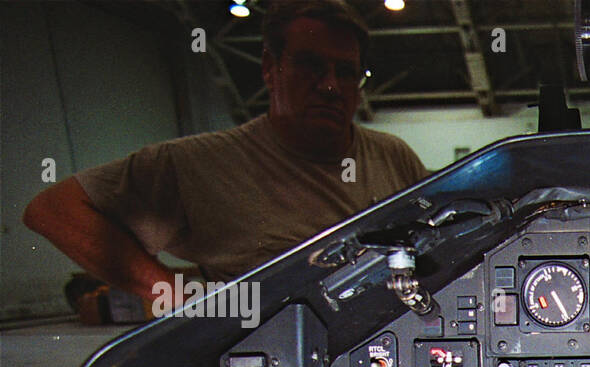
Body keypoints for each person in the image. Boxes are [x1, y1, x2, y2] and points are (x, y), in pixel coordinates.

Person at [22, 0, 429, 304]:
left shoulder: (393, 158)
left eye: (345, 72)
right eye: (310, 66)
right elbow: (53, 210)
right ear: (271, 69)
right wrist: (169, 292)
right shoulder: (199, 165)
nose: (329, 85)